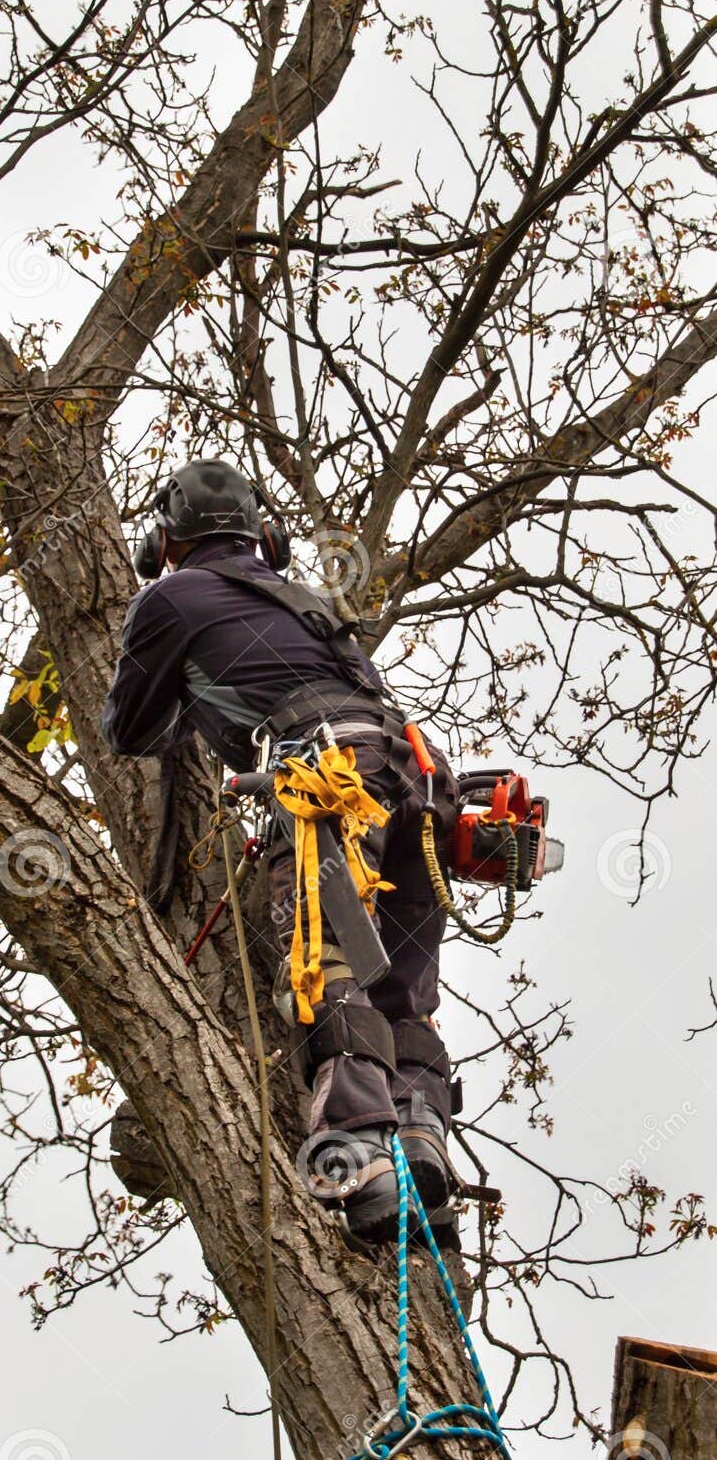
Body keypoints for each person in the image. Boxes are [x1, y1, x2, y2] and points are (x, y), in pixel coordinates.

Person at [101, 460, 459, 1245]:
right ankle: (421, 1135)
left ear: (164, 542)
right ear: (266, 534)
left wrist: (188, 704)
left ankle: (356, 1154)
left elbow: (125, 731)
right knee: (401, 980)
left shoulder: (167, 598)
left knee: (324, 959)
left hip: (326, 777)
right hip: (415, 780)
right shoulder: (308, 604)